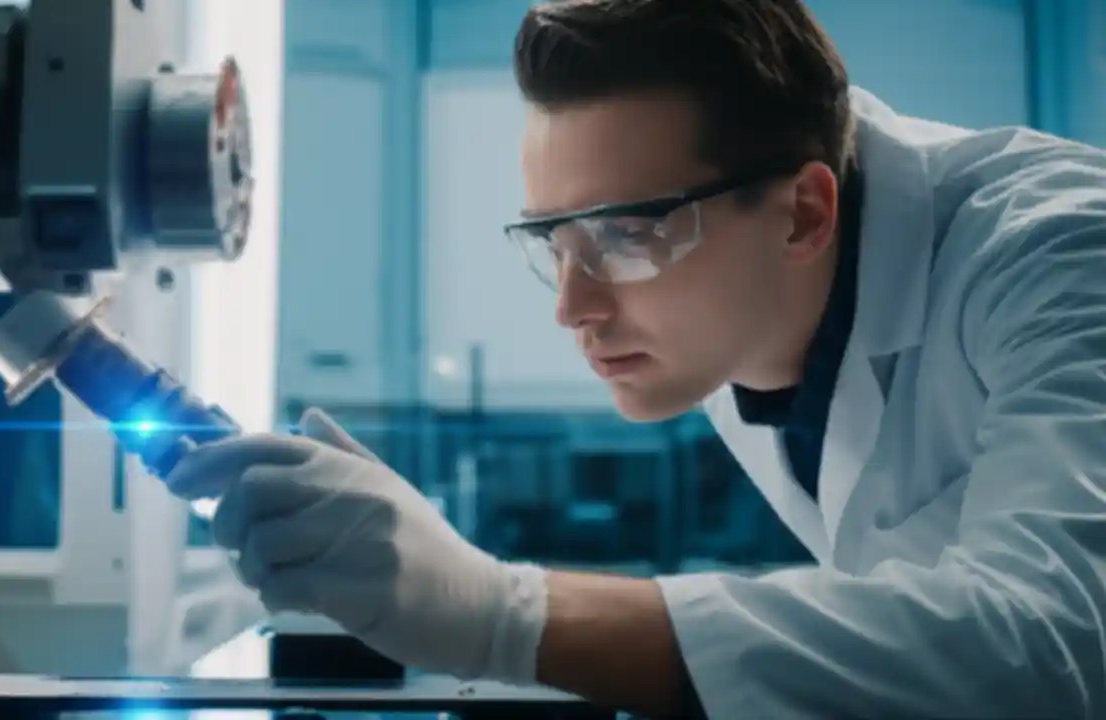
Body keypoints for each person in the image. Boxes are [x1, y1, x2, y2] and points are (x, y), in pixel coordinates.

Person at [167, 0, 1106, 717]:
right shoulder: (734, 290)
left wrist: (497, 612)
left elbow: (1053, 642)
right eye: (553, 241)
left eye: (625, 234)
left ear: (806, 214)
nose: (575, 308)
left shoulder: (1064, 253)